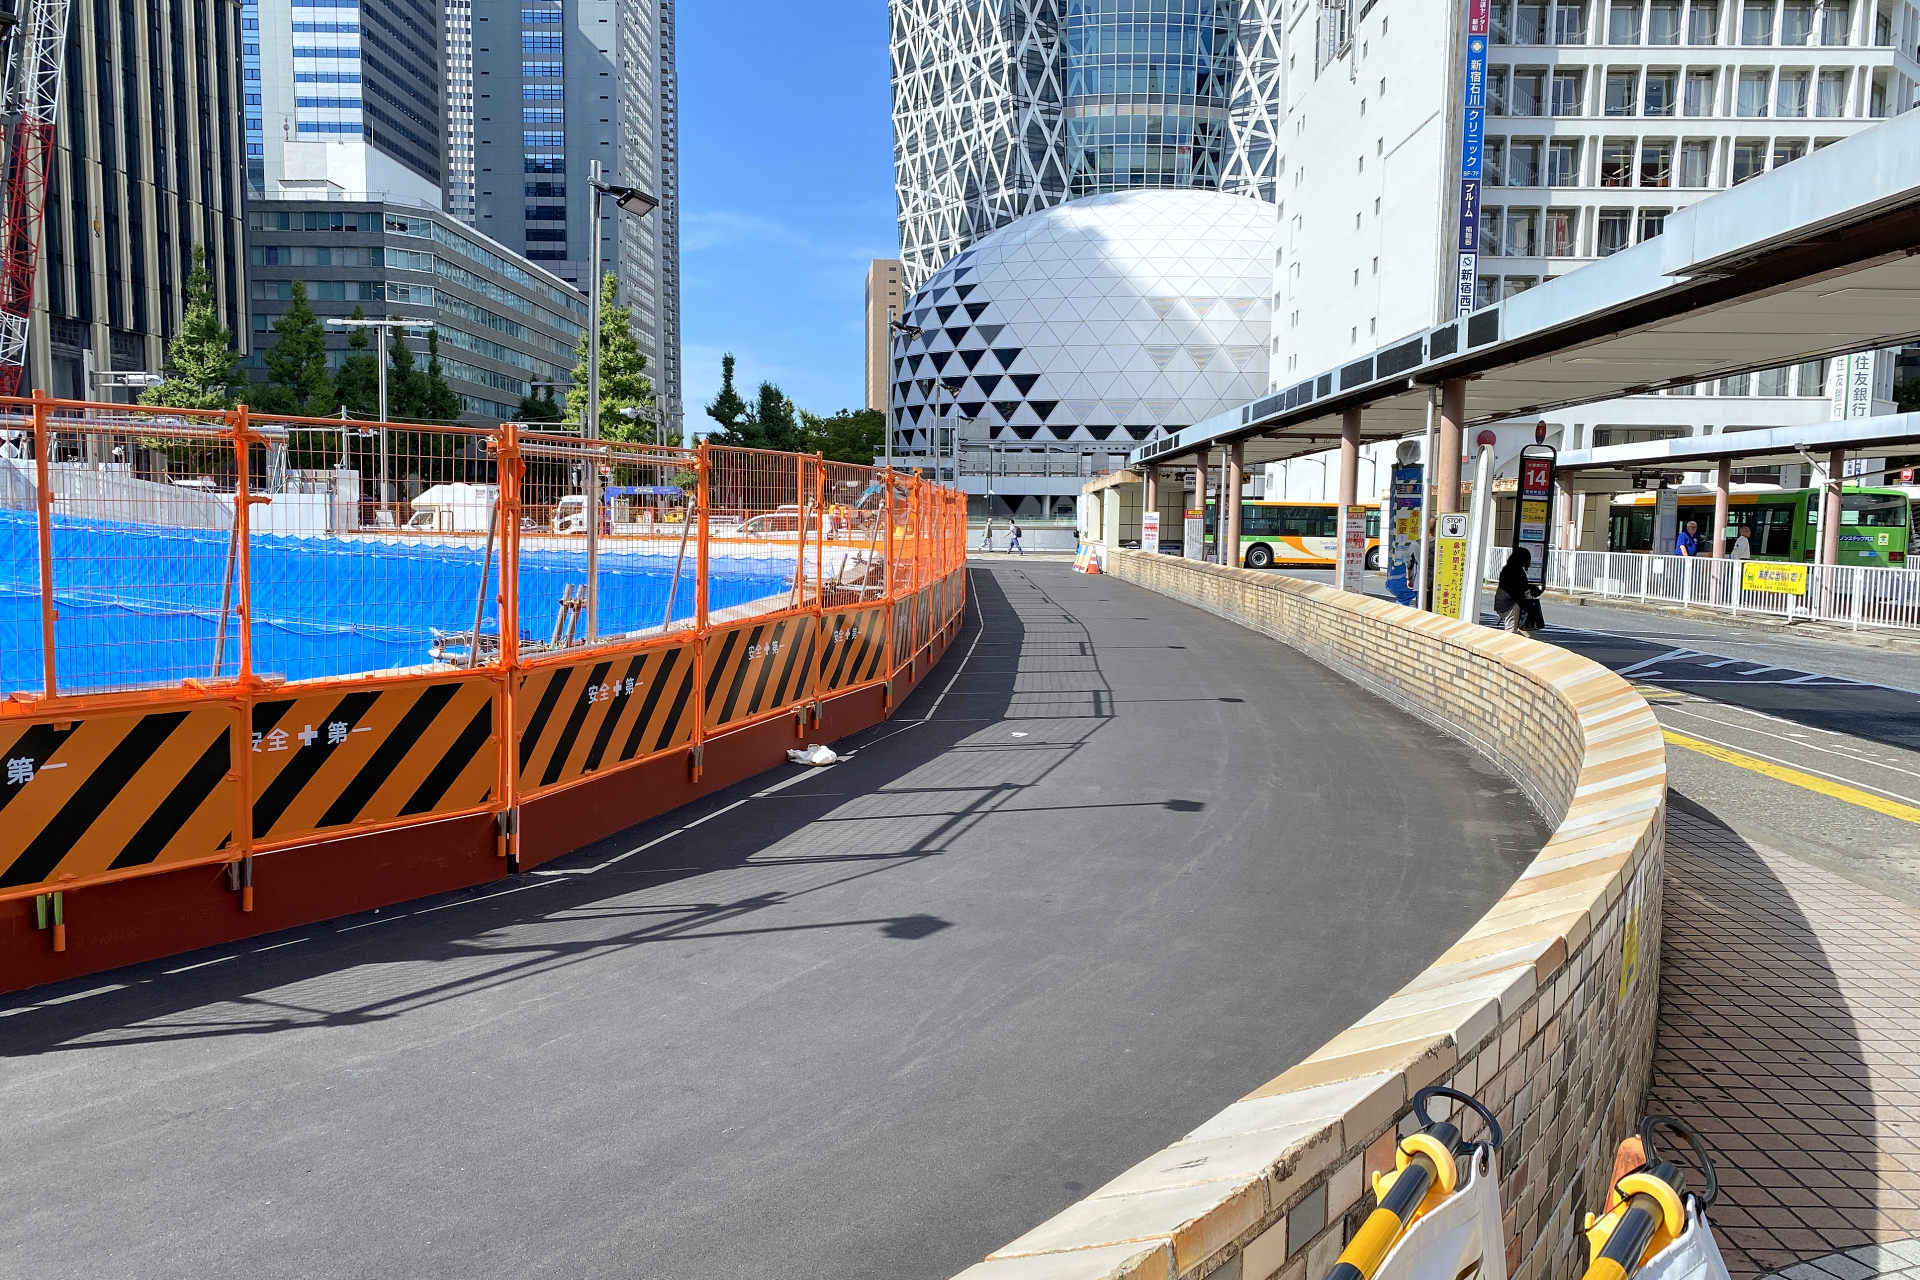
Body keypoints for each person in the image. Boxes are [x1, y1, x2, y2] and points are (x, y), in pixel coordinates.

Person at [1494, 546, 1544, 635]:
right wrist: (1535, 590)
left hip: (1500, 602)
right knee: (1511, 631)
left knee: (1512, 627)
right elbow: (1523, 588)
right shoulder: (1518, 571)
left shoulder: (1507, 568)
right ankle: (1507, 647)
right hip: (1511, 604)